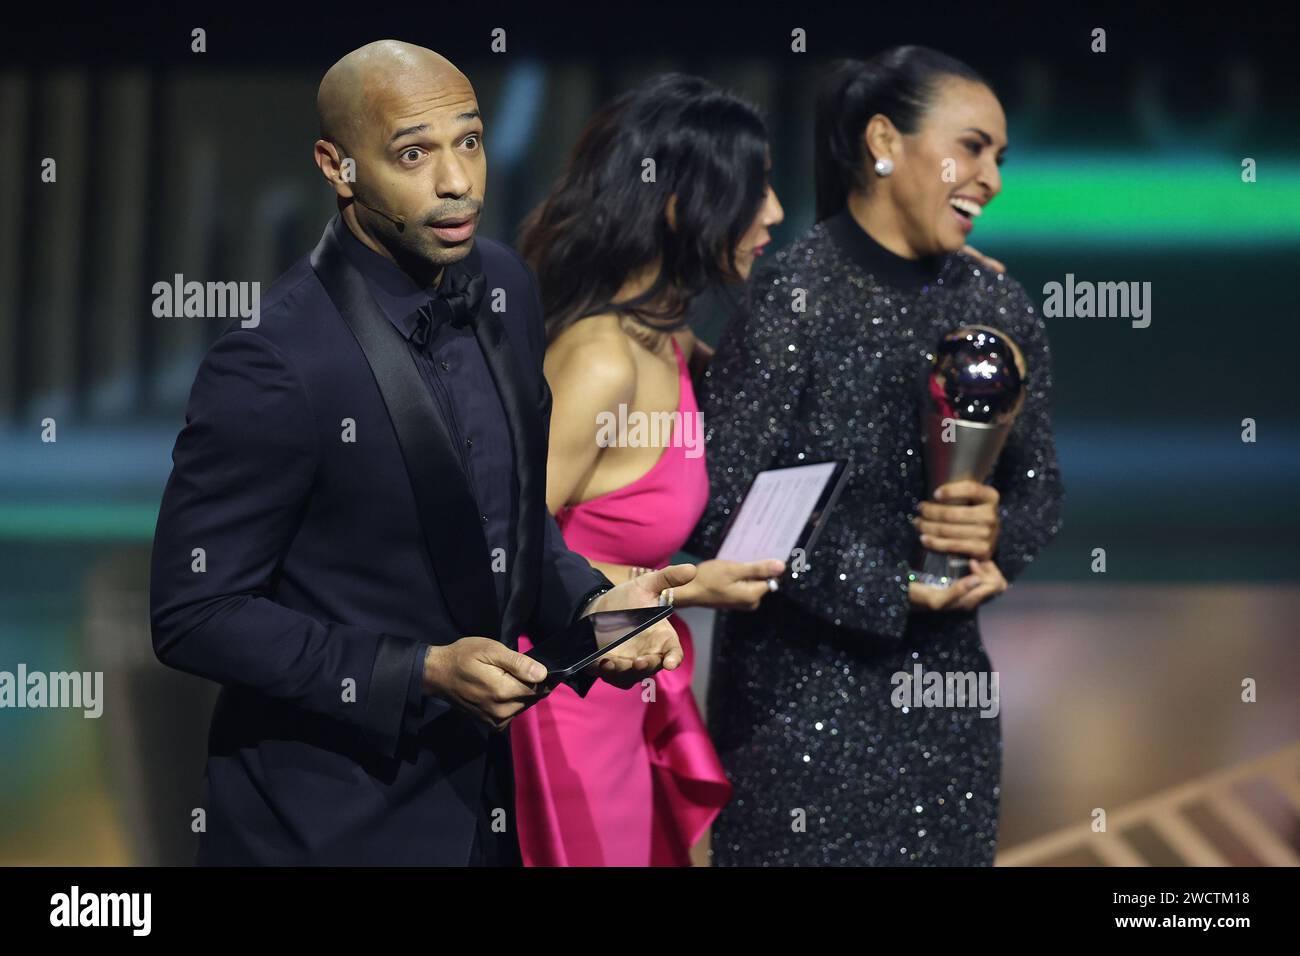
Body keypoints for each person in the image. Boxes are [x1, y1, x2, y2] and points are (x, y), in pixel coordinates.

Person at [148, 39, 694, 866]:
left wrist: (596, 613)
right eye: (414, 153)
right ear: (339, 167)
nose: (457, 182)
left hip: (485, 811)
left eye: (469, 141)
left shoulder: (504, 287)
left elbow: (515, 525)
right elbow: (195, 614)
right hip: (322, 827)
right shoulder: (274, 359)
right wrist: (423, 671)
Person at [689, 46, 1065, 865]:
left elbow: (1040, 486)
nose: (992, 177)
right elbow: (719, 512)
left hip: (948, 719)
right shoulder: (793, 298)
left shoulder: (997, 300)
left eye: (1001, 156)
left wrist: (996, 539)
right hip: (797, 719)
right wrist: (888, 586)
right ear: (885, 141)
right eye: (972, 147)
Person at [510, 74, 787, 866]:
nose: (771, 211)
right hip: (562, 711)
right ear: (675, 207)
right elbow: (504, 553)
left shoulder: (667, 343)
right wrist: (692, 585)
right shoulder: (601, 361)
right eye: (752, 188)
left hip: (627, 688)